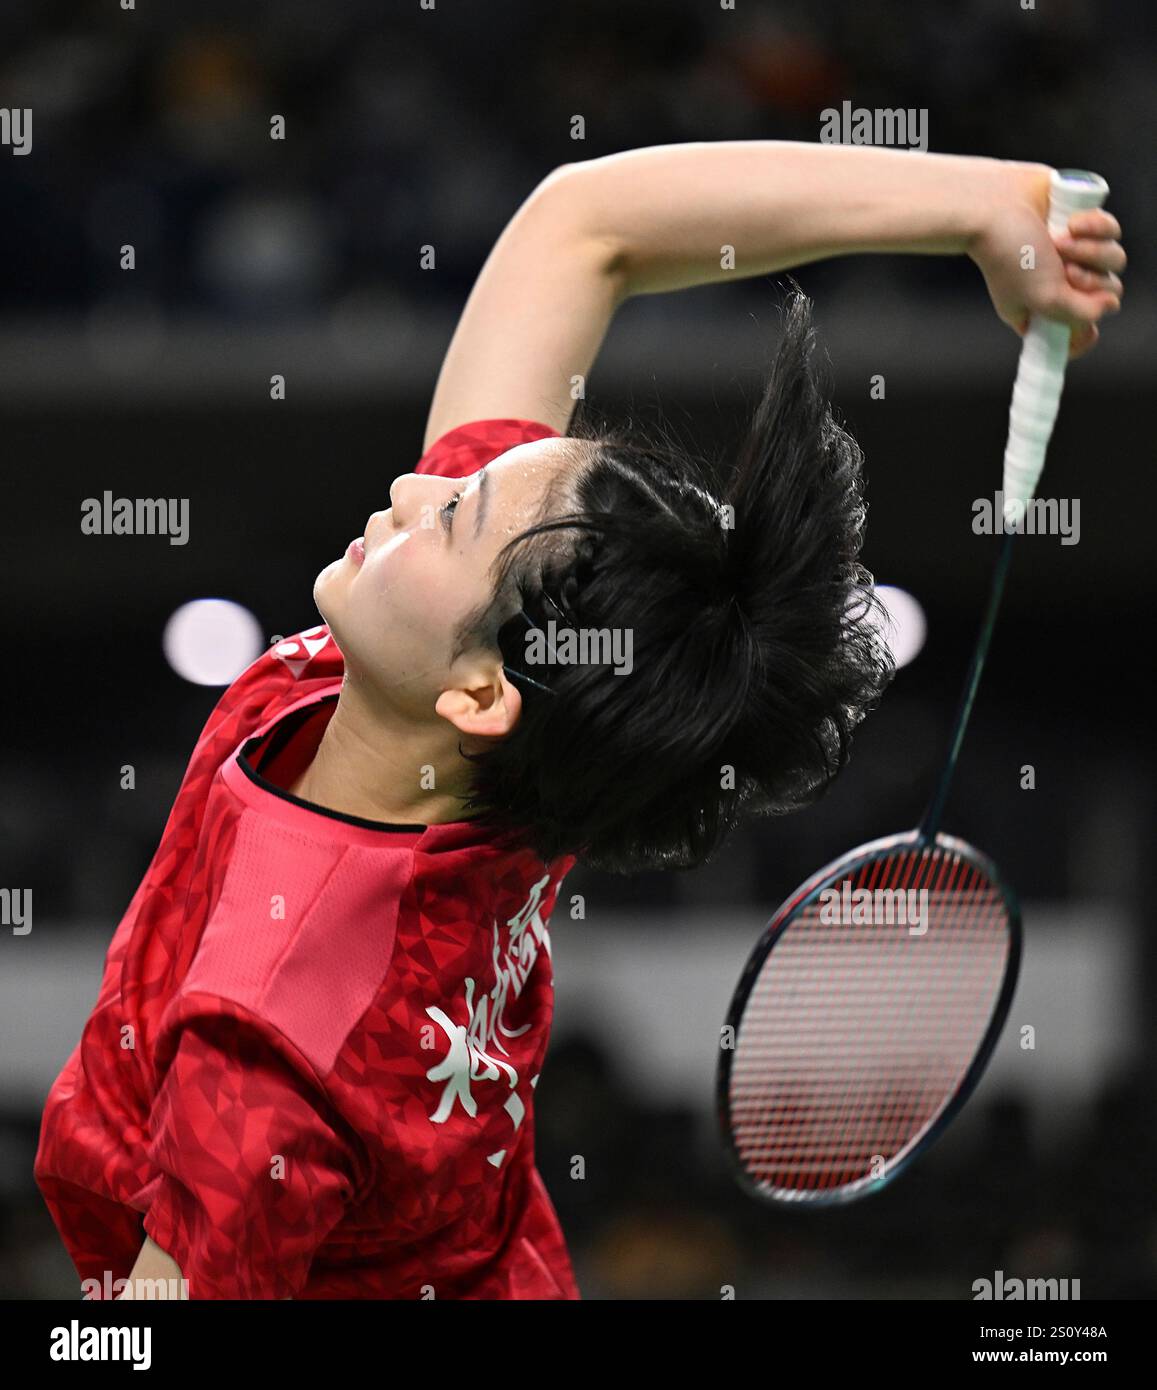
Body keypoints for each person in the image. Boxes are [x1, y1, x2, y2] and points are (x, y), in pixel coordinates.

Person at [34, 141, 1125, 1300]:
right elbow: (580, 228)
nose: (409, 488)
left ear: (481, 693)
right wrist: (980, 207)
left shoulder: (274, 1044)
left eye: (450, 513)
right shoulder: (505, 734)